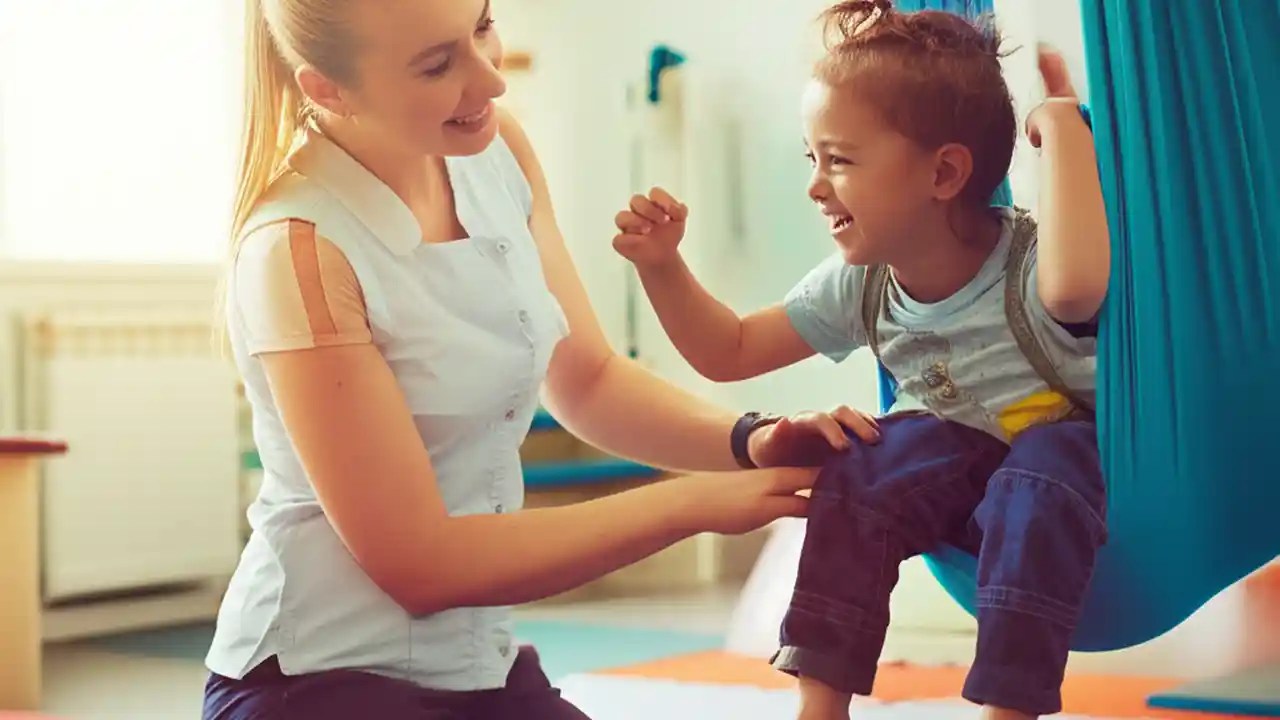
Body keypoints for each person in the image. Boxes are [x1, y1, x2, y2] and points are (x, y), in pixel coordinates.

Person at [202, 1, 886, 718]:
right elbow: (421, 564)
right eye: (437, 65)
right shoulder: (298, 248)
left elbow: (586, 380)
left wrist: (750, 441)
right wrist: (695, 503)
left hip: (477, 671)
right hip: (314, 681)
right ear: (327, 89)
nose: (491, 80)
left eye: (483, 26)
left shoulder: (495, 152)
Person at [611, 2, 1111, 719]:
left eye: (839, 160)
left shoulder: (1031, 261)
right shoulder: (862, 280)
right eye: (811, 158)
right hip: (949, 468)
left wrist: (1062, 128)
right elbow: (731, 350)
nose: (815, 185)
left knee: (1038, 477)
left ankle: (1009, 708)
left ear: (944, 173)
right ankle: (821, 704)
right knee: (862, 468)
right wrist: (662, 268)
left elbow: (1077, 289)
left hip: (1061, 464)